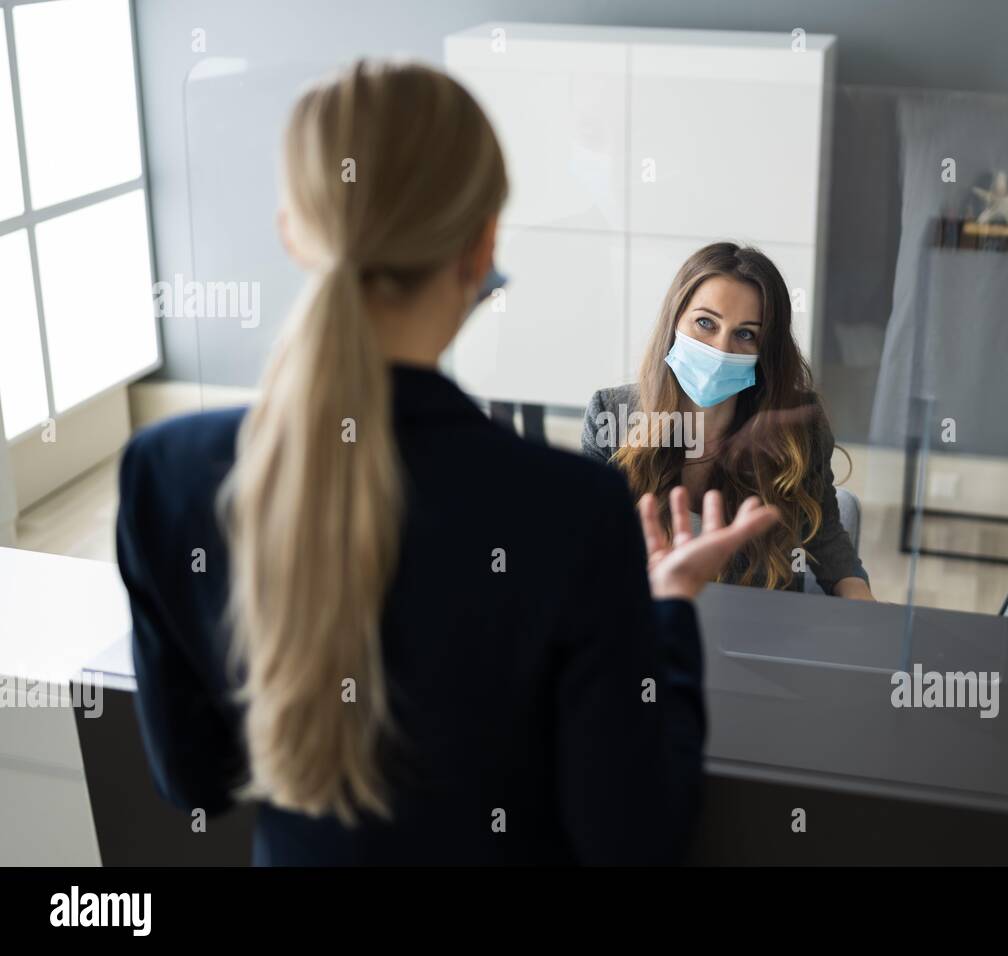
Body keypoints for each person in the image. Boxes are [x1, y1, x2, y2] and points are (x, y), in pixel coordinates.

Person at [115, 60, 777, 865]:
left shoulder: (162, 471)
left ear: (294, 230)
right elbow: (631, 841)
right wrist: (669, 607)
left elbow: (193, 779)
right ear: (482, 248)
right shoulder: (571, 510)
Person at [581, 243, 874, 599]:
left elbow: (824, 534)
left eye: (745, 334)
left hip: (757, 632)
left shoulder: (797, 428)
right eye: (706, 323)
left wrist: (863, 602)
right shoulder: (612, 416)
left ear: (766, 349)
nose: (721, 349)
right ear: (675, 320)